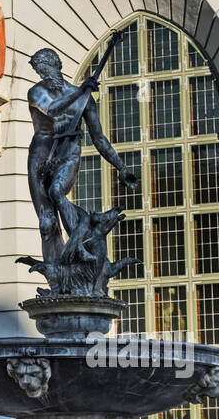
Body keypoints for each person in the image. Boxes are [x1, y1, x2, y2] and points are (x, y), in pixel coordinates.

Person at [25, 48, 138, 269]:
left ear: (56, 65)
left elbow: (99, 138)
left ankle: (79, 245)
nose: (42, 74)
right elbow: (52, 110)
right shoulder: (36, 92)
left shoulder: (84, 98)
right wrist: (81, 92)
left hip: (68, 151)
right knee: (46, 224)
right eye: (39, 70)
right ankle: (57, 277)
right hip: (41, 154)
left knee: (57, 191)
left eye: (45, 68)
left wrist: (121, 167)